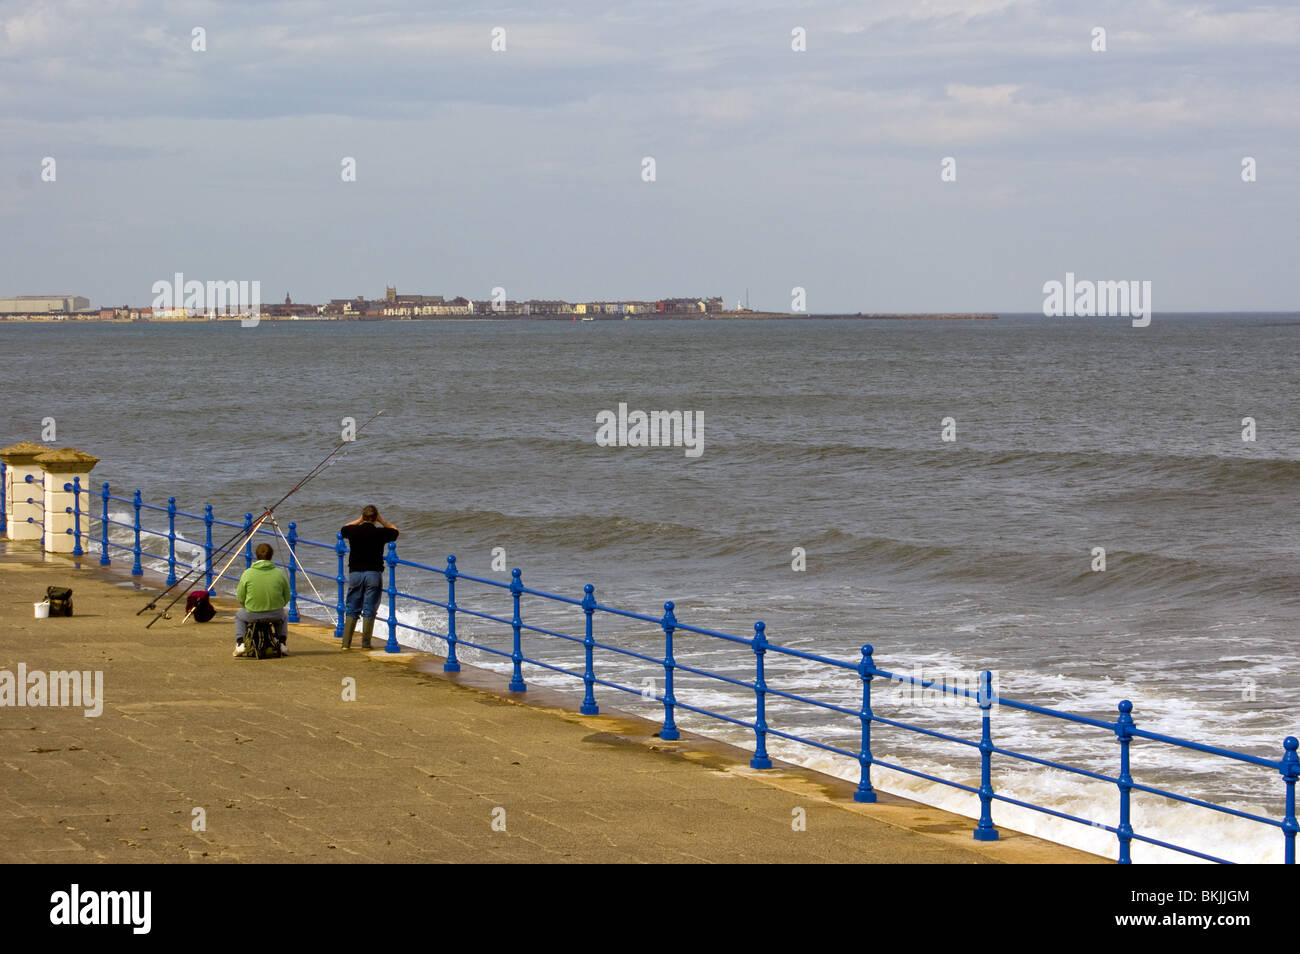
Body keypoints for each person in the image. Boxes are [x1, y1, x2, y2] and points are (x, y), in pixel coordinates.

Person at [340, 505, 399, 650]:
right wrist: (382, 521)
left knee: (352, 607)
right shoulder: (380, 533)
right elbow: (395, 531)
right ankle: (365, 644)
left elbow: (344, 528)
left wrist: (359, 519)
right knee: (369, 609)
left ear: (363, 517)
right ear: (375, 518)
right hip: (373, 573)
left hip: (355, 574)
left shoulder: (353, 531)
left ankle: (345, 644)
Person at [234, 542, 291, 657]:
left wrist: (247, 606)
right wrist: (278, 605)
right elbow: (287, 596)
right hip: (275, 613)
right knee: (284, 615)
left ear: (256, 555)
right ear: (271, 556)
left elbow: (240, 597)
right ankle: (282, 643)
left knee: (239, 616)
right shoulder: (279, 574)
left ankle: (240, 643)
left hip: (252, 613)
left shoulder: (247, 573)